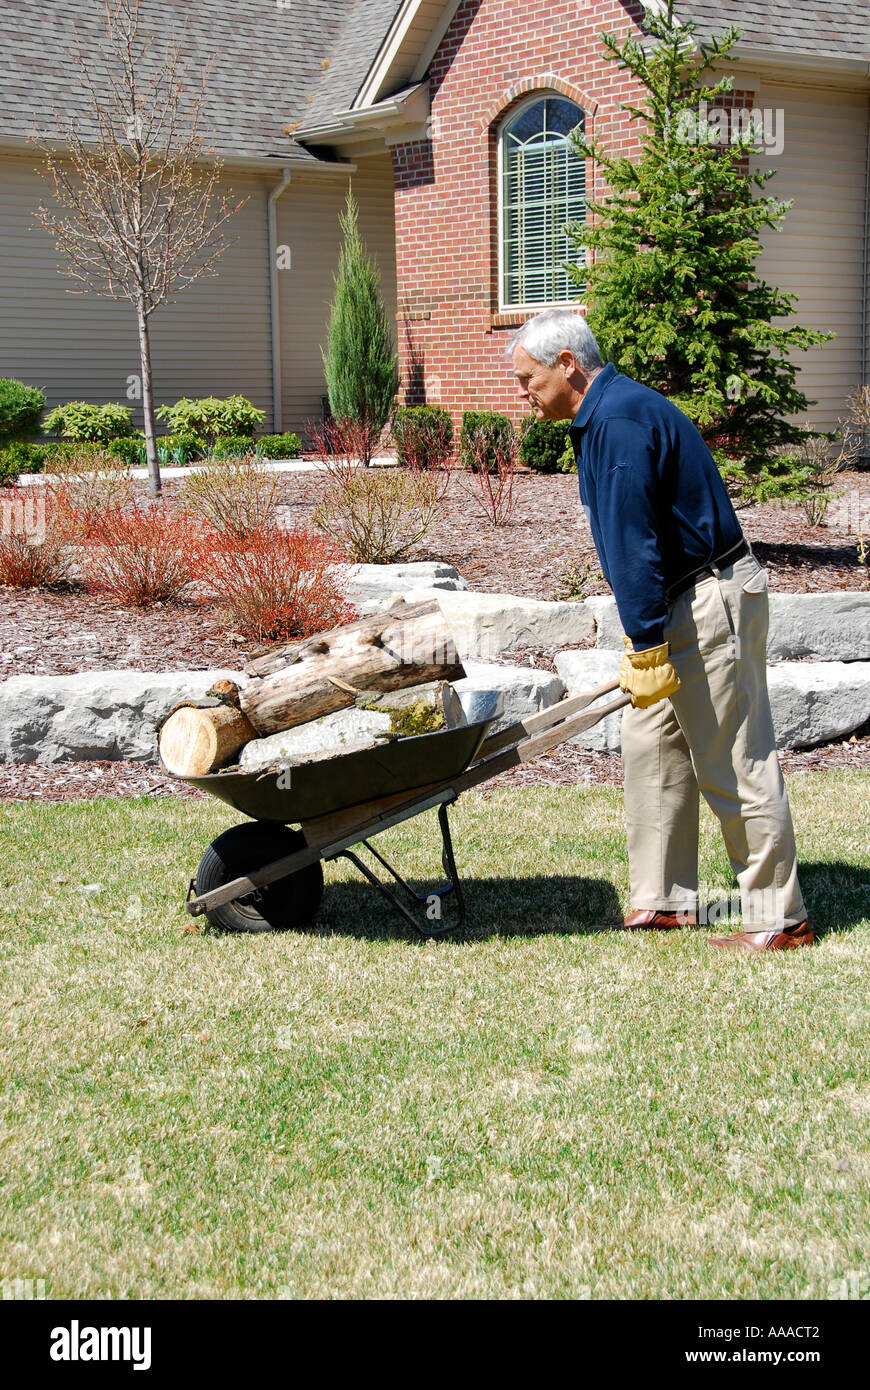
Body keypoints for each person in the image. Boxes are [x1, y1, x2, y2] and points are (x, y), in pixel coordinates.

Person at [508, 308, 812, 950]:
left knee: (733, 756)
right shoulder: (601, 416)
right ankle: (665, 900)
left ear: (567, 365)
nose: (523, 393)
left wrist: (646, 643)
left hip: (708, 601)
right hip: (677, 602)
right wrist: (645, 637)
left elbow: (633, 544)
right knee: (653, 750)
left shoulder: (617, 422)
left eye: (528, 379)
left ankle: (777, 917)